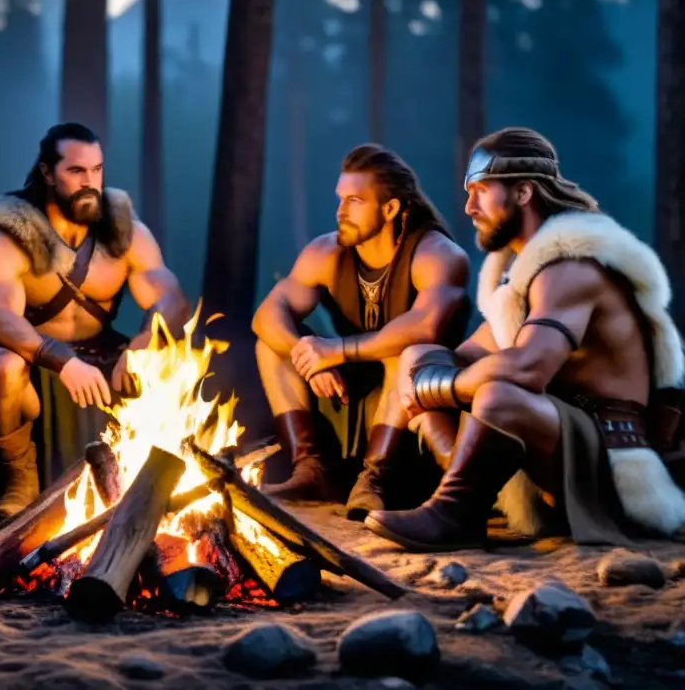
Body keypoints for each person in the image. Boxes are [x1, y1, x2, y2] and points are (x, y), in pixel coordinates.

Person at [364, 126, 685, 552]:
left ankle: (453, 515)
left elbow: (527, 368)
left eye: (481, 190)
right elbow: (468, 356)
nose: (469, 206)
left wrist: (433, 389)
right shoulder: (524, 277)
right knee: (421, 358)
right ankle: (459, 497)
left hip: (612, 463)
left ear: (524, 192)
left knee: (499, 396)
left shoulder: (569, 269)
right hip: (562, 447)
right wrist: (417, 371)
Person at [0, 122, 190, 520]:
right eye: (76, 171)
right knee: (1, 364)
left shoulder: (124, 233)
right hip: (33, 364)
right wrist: (62, 360)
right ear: (46, 172)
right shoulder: (4, 237)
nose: (89, 182)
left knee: (165, 358)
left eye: (96, 170)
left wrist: (143, 345)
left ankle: (144, 480)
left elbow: (171, 299)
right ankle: (19, 476)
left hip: (107, 359)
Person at [252, 144, 471, 517]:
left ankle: (375, 478)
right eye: (340, 199)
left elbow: (425, 326)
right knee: (270, 346)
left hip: (423, 392)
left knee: (399, 353)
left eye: (355, 201)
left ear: (389, 209)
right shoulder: (327, 252)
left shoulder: (437, 254)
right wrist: (309, 358)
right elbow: (267, 314)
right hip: (351, 385)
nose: (340, 212)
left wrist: (337, 350)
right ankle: (311, 467)